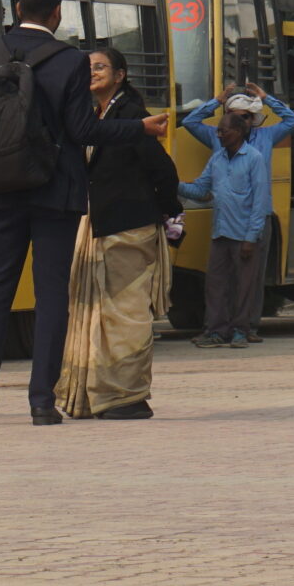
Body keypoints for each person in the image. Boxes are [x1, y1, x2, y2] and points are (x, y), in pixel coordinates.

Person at [0, 0, 172, 427]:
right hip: (54, 192)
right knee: (51, 293)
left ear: (18, 8)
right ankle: (40, 402)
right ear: (57, 12)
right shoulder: (69, 61)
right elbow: (83, 131)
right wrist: (140, 128)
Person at [57, 46, 182, 419]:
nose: (93, 72)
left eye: (101, 67)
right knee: (96, 313)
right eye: (89, 67)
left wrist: (167, 210)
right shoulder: (90, 115)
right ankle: (96, 396)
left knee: (125, 316)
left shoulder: (132, 116)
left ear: (120, 74)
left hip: (130, 226)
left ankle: (127, 398)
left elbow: (164, 171)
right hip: (100, 225)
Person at [174, 82, 294, 348]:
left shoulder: (259, 147)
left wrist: (267, 99)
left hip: (251, 225)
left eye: (241, 117)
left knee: (248, 282)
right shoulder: (218, 153)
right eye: (225, 120)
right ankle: (217, 330)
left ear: (247, 124)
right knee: (217, 283)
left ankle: (245, 328)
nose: (220, 132)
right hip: (222, 227)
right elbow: (200, 186)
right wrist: (216, 100)